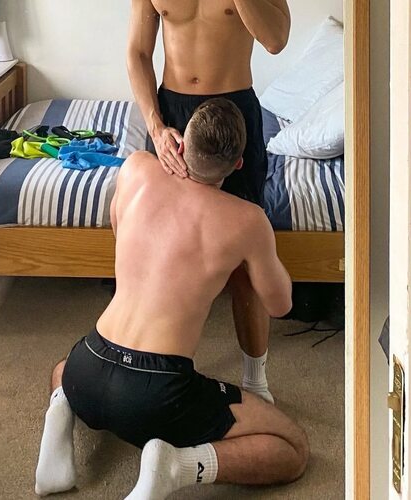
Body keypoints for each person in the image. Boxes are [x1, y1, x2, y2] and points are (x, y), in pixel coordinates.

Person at [34, 99, 308, 499]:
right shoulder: (248, 219)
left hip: (87, 367)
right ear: (237, 165)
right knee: (292, 448)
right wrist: (260, 255)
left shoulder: (136, 168)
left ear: (179, 144)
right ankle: (175, 466)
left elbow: (119, 229)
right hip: (156, 394)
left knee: (63, 368)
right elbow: (280, 305)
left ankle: (59, 417)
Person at [127, 0, 291, 404]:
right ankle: (160, 370)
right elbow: (139, 52)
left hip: (233, 114)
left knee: (245, 260)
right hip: (173, 116)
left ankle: (255, 382)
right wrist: (155, 126)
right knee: (166, 252)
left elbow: (275, 40)